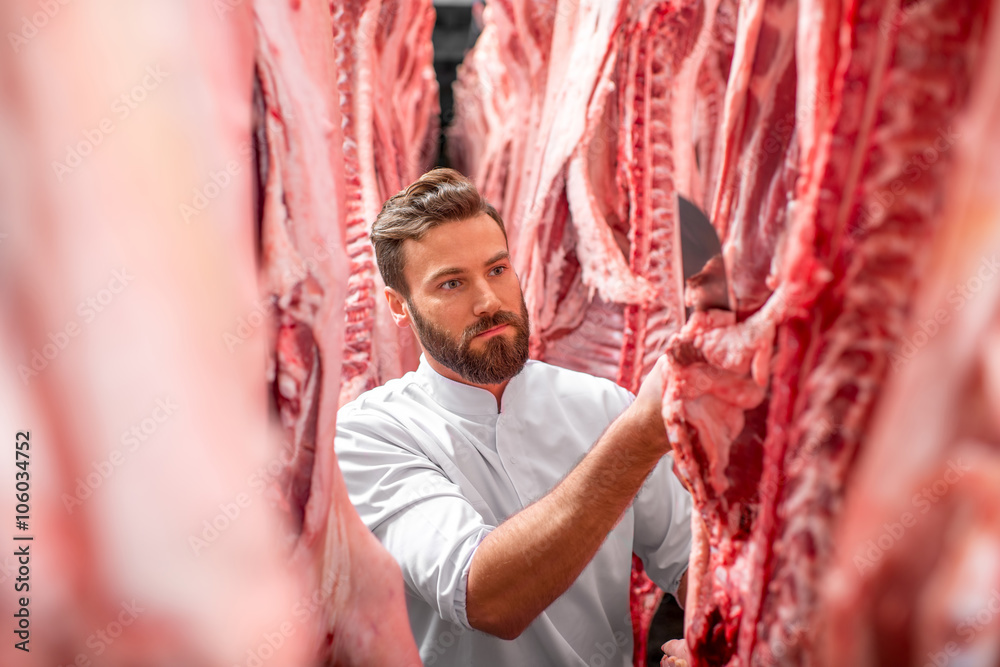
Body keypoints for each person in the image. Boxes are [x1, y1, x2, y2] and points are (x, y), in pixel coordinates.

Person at [334, 168, 693, 667]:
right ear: (399, 306)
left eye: (497, 270)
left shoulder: (602, 405)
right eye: (452, 283)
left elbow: (694, 560)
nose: (488, 301)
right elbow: (486, 598)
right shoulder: (371, 434)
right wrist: (635, 440)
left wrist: (712, 640)